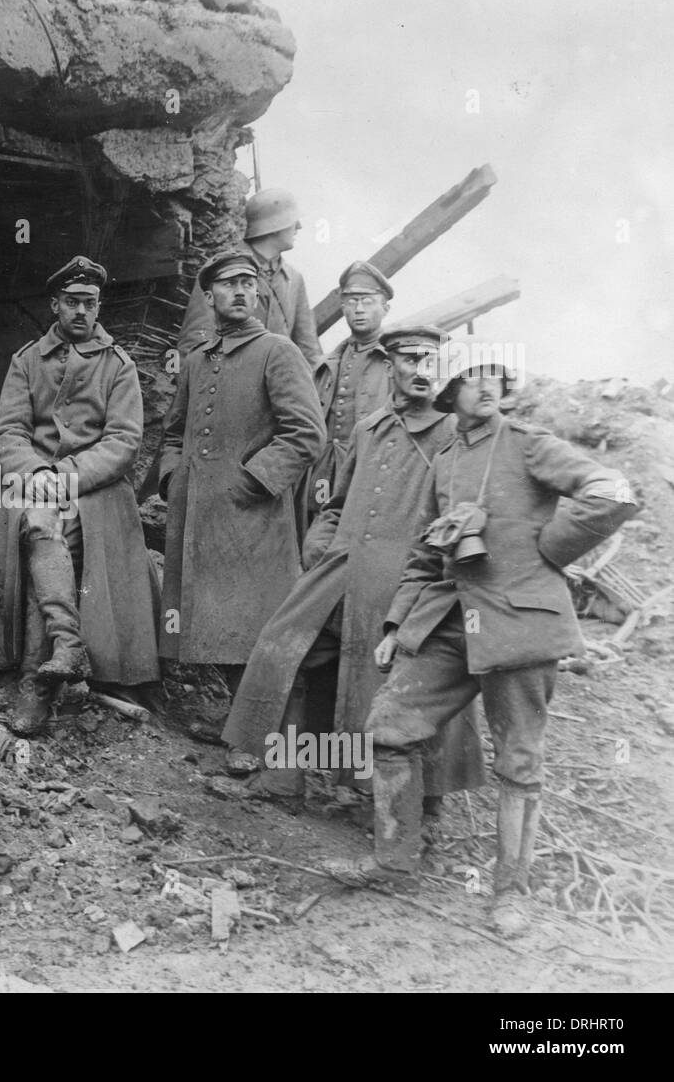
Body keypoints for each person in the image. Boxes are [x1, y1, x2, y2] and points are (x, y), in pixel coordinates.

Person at [331, 349, 638, 936]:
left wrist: (552, 548)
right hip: (452, 623)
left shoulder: (528, 442)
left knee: (519, 763)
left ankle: (510, 892)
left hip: (521, 625)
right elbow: (426, 550)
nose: (485, 387)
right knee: (389, 728)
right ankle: (394, 862)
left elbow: (614, 491)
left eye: (493, 376)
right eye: (470, 379)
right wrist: (398, 625)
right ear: (449, 394)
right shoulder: (446, 457)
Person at [220, 327, 484, 812]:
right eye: (411, 359)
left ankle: (413, 807)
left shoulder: (454, 434)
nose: (423, 370)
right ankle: (284, 777)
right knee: (286, 651)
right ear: (391, 365)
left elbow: (463, 519)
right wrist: (319, 549)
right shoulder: (369, 428)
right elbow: (336, 505)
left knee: (398, 688)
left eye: (431, 360)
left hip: (410, 582)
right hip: (342, 569)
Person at [0, 257, 160, 735]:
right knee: (41, 524)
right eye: (72, 302)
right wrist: (38, 472)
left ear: (98, 305)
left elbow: (124, 441)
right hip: (36, 483)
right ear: (55, 304)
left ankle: (39, 680)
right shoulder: (26, 360)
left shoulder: (118, 365)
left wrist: (66, 474)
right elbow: (9, 432)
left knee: (57, 525)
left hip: (96, 489)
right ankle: (60, 651)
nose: (81, 311)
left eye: (89, 302)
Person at [158, 250, 325, 709]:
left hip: (253, 515)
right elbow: (174, 431)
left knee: (254, 622)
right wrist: (174, 479)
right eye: (228, 285)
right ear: (209, 296)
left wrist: (254, 480)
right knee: (215, 620)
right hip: (201, 512)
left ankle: (258, 736)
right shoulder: (196, 360)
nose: (240, 291)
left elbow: (307, 433)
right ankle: (231, 725)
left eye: (248, 283)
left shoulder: (278, 351)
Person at [176, 188, 321, 363]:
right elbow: (195, 341)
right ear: (275, 226)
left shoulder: (294, 279)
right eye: (292, 221)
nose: (298, 227)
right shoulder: (219, 268)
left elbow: (309, 350)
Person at [303, 261, 395, 520]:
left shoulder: (396, 361)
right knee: (320, 530)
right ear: (343, 307)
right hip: (326, 470)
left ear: (385, 308)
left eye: (367, 301)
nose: (359, 309)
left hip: (372, 468)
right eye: (351, 301)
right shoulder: (327, 364)